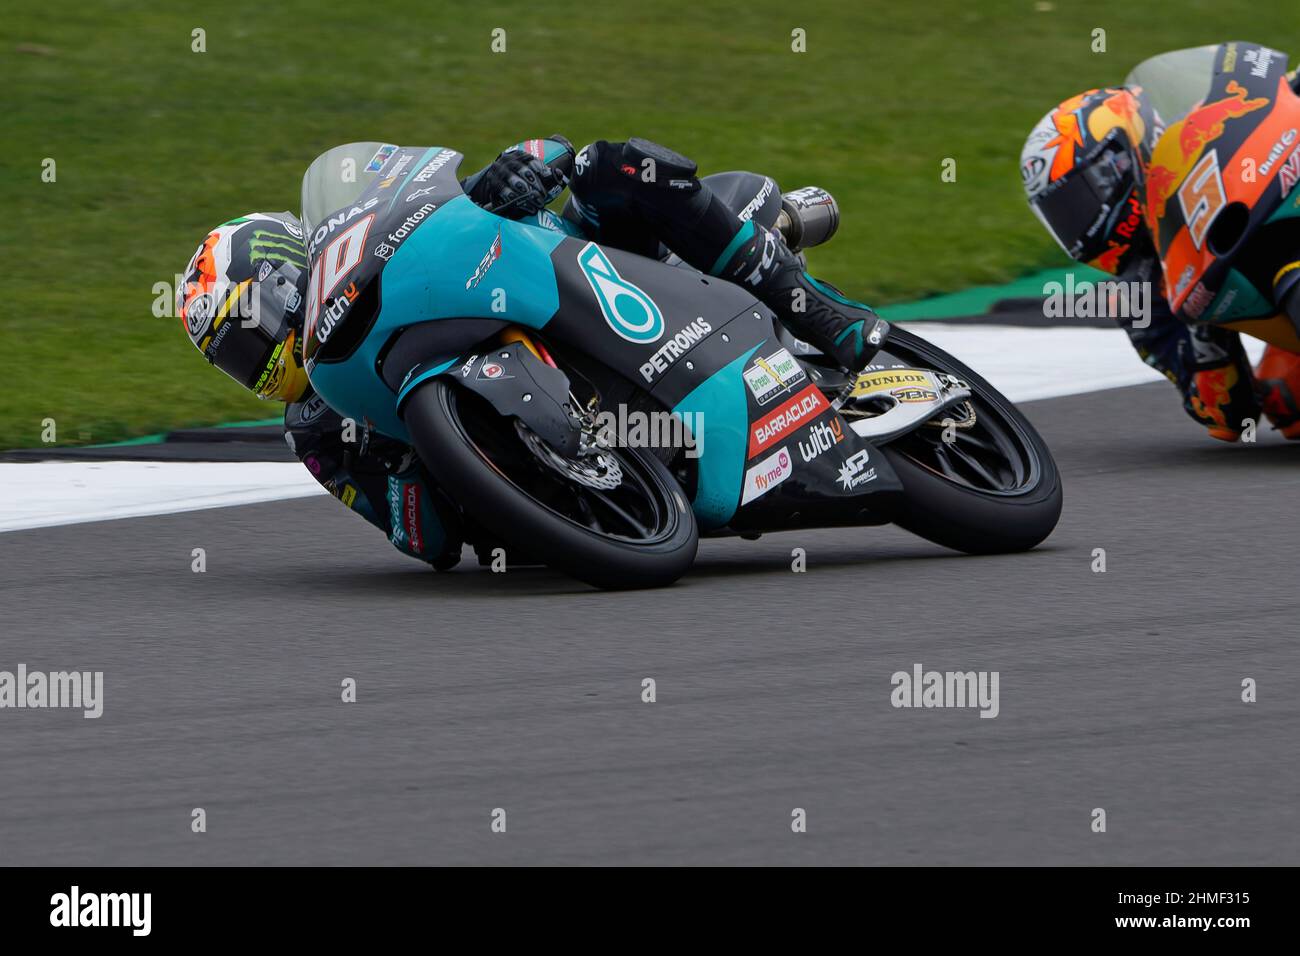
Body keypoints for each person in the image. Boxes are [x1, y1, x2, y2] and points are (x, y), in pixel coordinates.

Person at [177, 136, 882, 565]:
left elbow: (548, 151)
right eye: (241, 363)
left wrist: (516, 173)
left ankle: (823, 316)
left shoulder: (382, 279)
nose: (264, 366)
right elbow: (416, 539)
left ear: (292, 277)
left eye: (255, 337)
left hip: (589, 273)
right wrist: (411, 470)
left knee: (616, 166)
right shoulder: (316, 434)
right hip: (558, 509)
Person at [1021, 83, 1300, 441]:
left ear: (1119, 160)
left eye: (1077, 201)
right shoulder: (1138, 298)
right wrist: (1203, 324)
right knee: (1287, 402)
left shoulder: (1199, 130)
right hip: (1278, 315)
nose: (1075, 223)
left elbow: (1264, 96)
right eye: (1060, 214)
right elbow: (1227, 416)